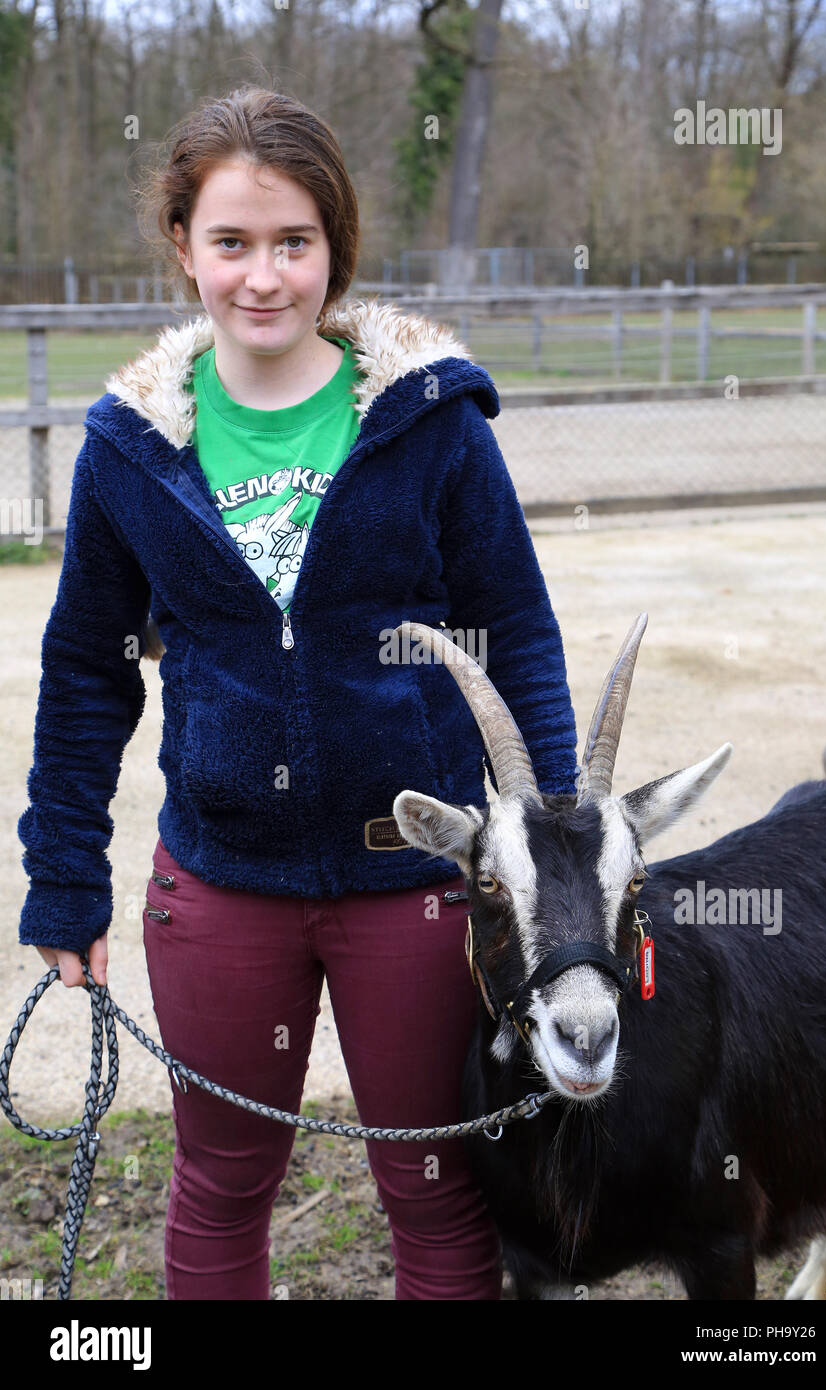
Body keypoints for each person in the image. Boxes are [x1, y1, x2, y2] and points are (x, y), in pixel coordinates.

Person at [17, 85, 578, 1301]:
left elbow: (516, 635)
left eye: (293, 243)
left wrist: (557, 840)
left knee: (433, 1189)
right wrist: (64, 875)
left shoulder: (431, 424)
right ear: (182, 244)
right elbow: (82, 674)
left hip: (416, 886)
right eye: (230, 242)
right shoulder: (128, 449)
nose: (263, 276)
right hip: (221, 884)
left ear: (336, 246)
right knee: (221, 1187)